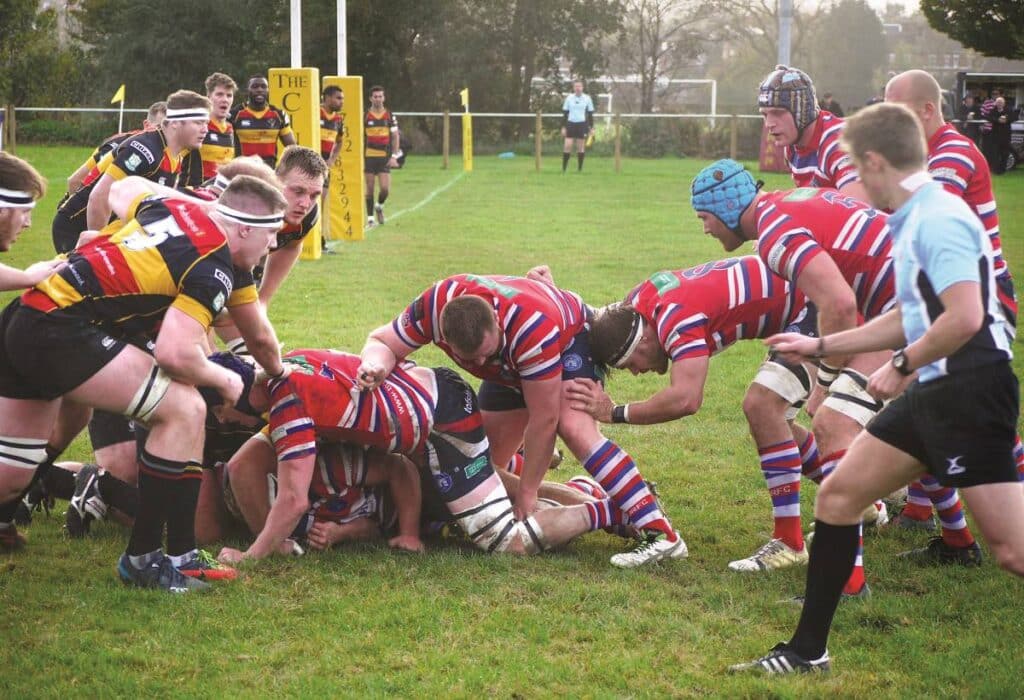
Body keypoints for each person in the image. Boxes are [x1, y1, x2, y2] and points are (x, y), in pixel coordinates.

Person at [730, 101, 1023, 676]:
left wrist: (901, 363)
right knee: (838, 499)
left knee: (1012, 549)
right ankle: (807, 652)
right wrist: (819, 348)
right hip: (934, 390)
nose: (855, 184)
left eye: (857, 171)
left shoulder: (939, 217)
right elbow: (909, 315)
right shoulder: (910, 217)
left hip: (969, 391)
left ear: (873, 161)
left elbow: (964, 317)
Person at [0, 173, 288, 592]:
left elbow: (123, 187)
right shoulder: (212, 265)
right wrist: (225, 378)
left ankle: (182, 554)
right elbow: (175, 352)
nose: (275, 245)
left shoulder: (177, 209)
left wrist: (278, 371)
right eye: (272, 233)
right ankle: (145, 559)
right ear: (244, 227)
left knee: (11, 476)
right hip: (61, 331)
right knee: (184, 408)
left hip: (30, 315)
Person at [358, 274, 687, 568]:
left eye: (488, 353)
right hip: (515, 366)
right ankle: (597, 498)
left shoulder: (529, 330)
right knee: (487, 472)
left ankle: (654, 526)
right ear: (441, 335)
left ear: (498, 323)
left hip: (569, 340)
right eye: (473, 360)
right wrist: (374, 367)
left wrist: (528, 494)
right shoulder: (431, 308)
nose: (482, 362)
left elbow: (544, 420)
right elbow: (384, 341)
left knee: (572, 428)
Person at [691, 159, 904, 597]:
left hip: (922, 305)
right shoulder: (783, 206)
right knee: (955, 420)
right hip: (911, 301)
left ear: (728, 209)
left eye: (706, 218)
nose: (706, 230)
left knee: (832, 423)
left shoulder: (774, 233)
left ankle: (849, 576)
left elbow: (841, 306)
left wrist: (824, 381)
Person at [216, 349, 626, 564]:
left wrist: (251, 557)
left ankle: (615, 513)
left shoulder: (287, 404)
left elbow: (292, 499)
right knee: (501, 484)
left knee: (504, 538)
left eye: (218, 410)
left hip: (442, 419)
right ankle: (594, 496)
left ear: (229, 391)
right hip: (429, 398)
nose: (222, 420)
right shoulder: (288, 370)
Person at [566, 257, 826, 573]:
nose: (637, 372)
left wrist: (616, 413)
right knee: (776, 422)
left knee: (762, 407)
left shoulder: (676, 320)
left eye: (632, 362)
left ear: (645, 339)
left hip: (817, 298)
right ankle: (858, 500)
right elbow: (600, 318)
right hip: (804, 292)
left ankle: (790, 543)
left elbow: (686, 400)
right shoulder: (636, 304)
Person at [884, 69, 1021, 557]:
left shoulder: (952, 155)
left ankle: (959, 532)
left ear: (925, 110)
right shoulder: (928, 154)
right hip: (953, 295)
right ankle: (930, 515)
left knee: (969, 414)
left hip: (981, 301)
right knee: (935, 403)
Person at [51, 90, 210, 254]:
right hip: (75, 227)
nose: (205, 129)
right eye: (199, 122)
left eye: (206, 123)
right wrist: (96, 249)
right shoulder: (145, 150)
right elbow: (99, 197)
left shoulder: (177, 154)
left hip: (110, 231)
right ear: (175, 123)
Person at [214, 146, 326, 358]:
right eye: (298, 191)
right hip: (181, 271)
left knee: (256, 353)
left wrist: (263, 300)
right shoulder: (243, 205)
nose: (305, 204)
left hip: (226, 272)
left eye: (314, 195)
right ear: (276, 180)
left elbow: (292, 244)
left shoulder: (308, 215)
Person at [757, 65, 869, 202]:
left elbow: (859, 209)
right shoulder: (792, 145)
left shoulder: (840, 142)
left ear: (803, 110)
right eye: (765, 114)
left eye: (778, 113)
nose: (769, 123)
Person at [63, 101, 167, 198]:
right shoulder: (120, 144)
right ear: (146, 125)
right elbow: (75, 180)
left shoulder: (174, 154)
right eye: (160, 127)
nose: (165, 133)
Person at [230, 75, 296, 168]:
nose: (259, 89)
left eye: (263, 86)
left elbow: (292, 148)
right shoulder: (235, 114)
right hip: (242, 173)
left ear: (268, 90)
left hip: (269, 173)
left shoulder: (279, 114)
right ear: (247, 90)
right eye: (255, 86)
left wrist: (283, 169)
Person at [363, 85, 399, 228]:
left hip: (384, 156)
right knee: (370, 188)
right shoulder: (365, 115)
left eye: (380, 96)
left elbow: (395, 136)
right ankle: (370, 219)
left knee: (385, 189)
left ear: (384, 98)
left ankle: (379, 206)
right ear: (371, 98)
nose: (378, 99)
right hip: (369, 157)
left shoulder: (389, 115)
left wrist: (394, 156)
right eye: (375, 96)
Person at [198, 72, 238, 180]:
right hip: (199, 193)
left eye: (229, 95)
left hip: (221, 192)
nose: (225, 99)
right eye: (219, 94)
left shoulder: (230, 129)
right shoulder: (198, 124)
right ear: (209, 97)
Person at [562, 80, 595, 173]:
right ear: (573, 88)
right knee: (567, 146)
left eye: (579, 86)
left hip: (582, 124)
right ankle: (564, 169)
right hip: (571, 123)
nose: (578, 88)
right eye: (576, 86)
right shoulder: (569, 98)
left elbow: (590, 114)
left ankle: (579, 169)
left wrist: (591, 127)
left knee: (580, 147)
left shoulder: (587, 98)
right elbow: (565, 113)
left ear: (582, 87)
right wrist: (563, 127)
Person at [987, 96, 1013, 175]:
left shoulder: (1008, 110)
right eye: (998, 102)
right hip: (995, 136)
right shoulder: (992, 110)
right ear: (995, 103)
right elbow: (989, 117)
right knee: (995, 154)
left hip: (1006, 136)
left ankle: (1003, 170)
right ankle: (995, 170)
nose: (999, 104)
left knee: (1005, 154)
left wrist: (1006, 119)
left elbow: (1014, 117)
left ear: (1004, 103)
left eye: (1001, 102)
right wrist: (998, 120)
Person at [319, 85, 344, 164]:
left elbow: (339, 142)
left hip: (324, 165)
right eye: (338, 98)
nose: (342, 102)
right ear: (328, 98)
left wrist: (332, 159)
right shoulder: (315, 112)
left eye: (342, 99)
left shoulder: (338, 119)